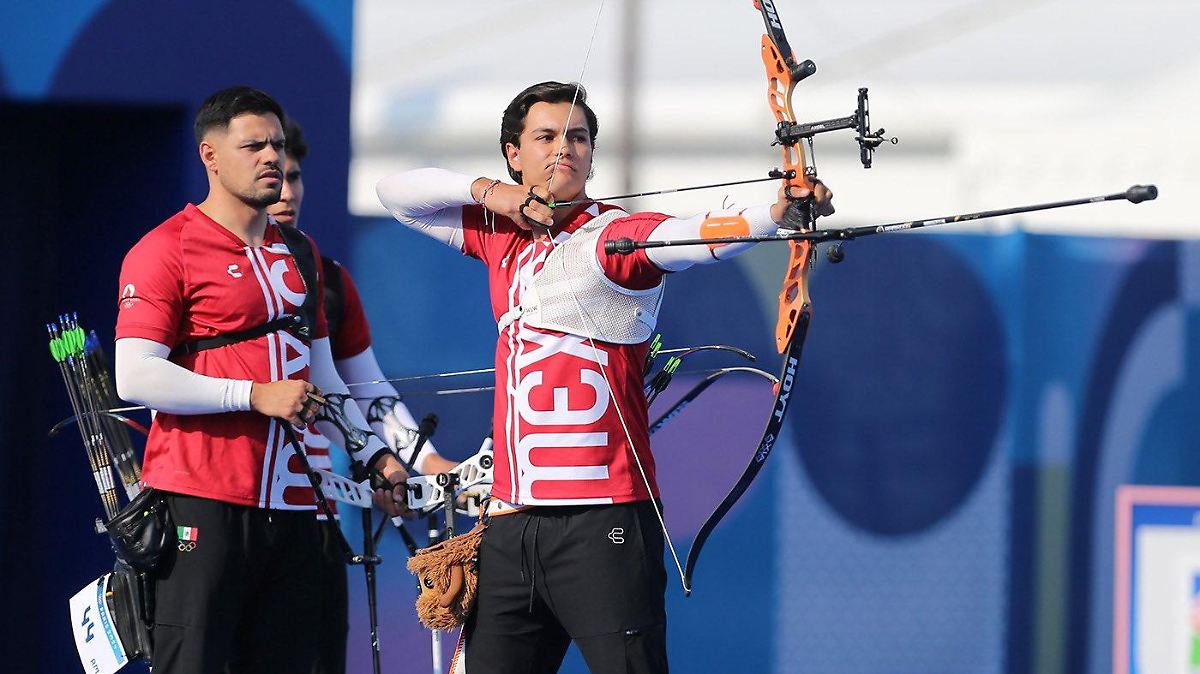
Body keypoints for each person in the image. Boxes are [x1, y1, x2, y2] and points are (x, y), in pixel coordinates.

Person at [375, 81, 833, 673]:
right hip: (511, 527)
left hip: (604, 525)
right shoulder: (499, 236)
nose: (564, 148)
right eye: (545, 137)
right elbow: (396, 193)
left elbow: (691, 235)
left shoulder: (615, 237)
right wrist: (496, 195)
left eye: (578, 138)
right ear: (513, 153)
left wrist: (776, 215)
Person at [114, 85, 409, 674]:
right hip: (203, 502)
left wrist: (375, 453)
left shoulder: (300, 250)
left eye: (276, 144)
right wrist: (251, 394)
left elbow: (321, 373)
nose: (271, 157)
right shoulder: (163, 249)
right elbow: (134, 375)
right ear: (210, 155)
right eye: (254, 146)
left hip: (298, 507)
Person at [266, 117, 461, 674]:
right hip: (234, 507)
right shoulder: (206, 267)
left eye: (295, 175)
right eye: (274, 175)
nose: (287, 191)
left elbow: (366, 391)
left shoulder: (327, 280)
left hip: (315, 510)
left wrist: (424, 463)